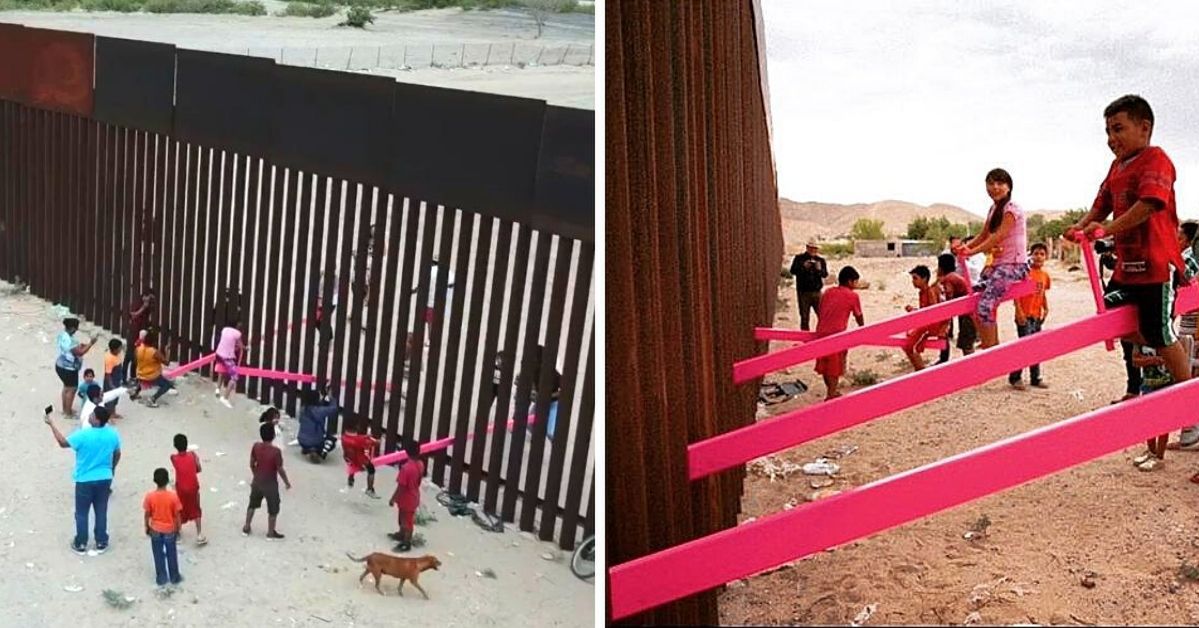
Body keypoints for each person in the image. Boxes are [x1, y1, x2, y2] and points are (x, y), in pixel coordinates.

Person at [1070, 95, 1192, 411]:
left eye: (1118, 129)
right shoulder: (1116, 166)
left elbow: (1149, 204)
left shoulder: (1156, 159)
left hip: (1155, 264)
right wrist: (1081, 227)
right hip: (1127, 268)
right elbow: (1101, 204)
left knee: (1159, 330)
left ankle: (1190, 406)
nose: (1111, 139)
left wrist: (1106, 230)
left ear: (1144, 127)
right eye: (1108, 131)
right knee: (1110, 318)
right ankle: (1166, 353)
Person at [954, 168, 1028, 349]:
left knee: (984, 305)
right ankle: (992, 344)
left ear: (1009, 187)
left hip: (1013, 265)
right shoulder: (994, 209)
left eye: (1000, 183)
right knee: (973, 301)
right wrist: (966, 247)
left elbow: (997, 237)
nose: (995, 187)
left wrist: (972, 252)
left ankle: (990, 348)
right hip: (998, 265)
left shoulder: (1012, 209)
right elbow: (983, 235)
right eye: (991, 183)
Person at [45, 405, 121, 555]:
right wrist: (111, 468)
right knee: (101, 510)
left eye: (93, 415)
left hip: (84, 479)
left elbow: (63, 443)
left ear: (98, 421)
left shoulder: (83, 435)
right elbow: (117, 453)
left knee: (81, 513)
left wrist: (52, 424)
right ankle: (101, 541)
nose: (90, 416)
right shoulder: (113, 435)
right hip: (104, 478)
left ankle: (81, 542)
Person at [1168, 221, 1199, 450]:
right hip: (1187, 322)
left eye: (1178, 237)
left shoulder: (1186, 260)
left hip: (1193, 325)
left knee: (1189, 376)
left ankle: (1190, 433)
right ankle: (1188, 433)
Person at [813, 266, 865, 401]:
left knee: (825, 365)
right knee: (834, 367)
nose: (856, 285)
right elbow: (858, 315)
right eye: (855, 282)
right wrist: (863, 329)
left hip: (821, 332)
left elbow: (821, 309)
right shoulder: (852, 296)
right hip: (836, 334)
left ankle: (832, 391)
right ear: (850, 282)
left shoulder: (827, 292)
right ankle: (831, 395)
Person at [1008, 243, 1052, 390]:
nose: (1039, 256)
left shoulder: (1045, 275)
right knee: (1024, 347)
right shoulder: (1025, 273)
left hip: (1036, 316)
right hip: (1024, 316)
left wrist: (1045, 308)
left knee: (1036, 347)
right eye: (1036, 253)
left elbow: (1042, 292)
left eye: (1042, 254)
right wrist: (1018, 311)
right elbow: (1016, 293)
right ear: (1030, 255)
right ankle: (1015, 377)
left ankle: (1035, 378)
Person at [243, 422, 291, 539]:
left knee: (252, 505)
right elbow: (280, 469)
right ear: (274, 435)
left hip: (257, 481)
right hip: (270, 484)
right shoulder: (276, 452)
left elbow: (251, 464)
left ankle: (247, 526)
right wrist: (287, 482)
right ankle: (270, 532)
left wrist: (256, 475)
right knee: (273, 509)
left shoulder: (256, 446)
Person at [1131, 344, 1173, 471]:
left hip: (1165, 384)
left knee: (1163, 422)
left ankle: (1159, 457)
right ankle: (1151, 452)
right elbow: (1135, 361)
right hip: (1148, 383)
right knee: (1148, 420)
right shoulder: (1139, 342)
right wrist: (1152, 360)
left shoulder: (1167, 340)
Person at [142, 468, 183, 587]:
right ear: (167, 481)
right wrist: (178, 528)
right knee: (172, 553)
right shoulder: (173, 497)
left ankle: (161, 577)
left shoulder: (150, 496)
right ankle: (174, 577)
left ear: (155, 480)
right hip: (170, 529)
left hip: (155, 528)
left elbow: (147, 514)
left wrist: (146, 526)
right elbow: (177, 515)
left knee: (158, 553)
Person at [902, 265, 947, 372]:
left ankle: (921, 371)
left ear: (924, 279)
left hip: (931, 325)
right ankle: (919, 369)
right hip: (926, 323)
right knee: (907, 343)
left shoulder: (930, 292)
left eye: (915, 278)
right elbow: (925, 311)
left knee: (910, 346)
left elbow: (932, 312)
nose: (913, 281)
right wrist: (914, 310)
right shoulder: (922, 292)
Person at [934, 253, 975, 364]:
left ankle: (972, 367)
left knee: (966, 343)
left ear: (941, 267)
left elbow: (949, 298)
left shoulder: (949, 279)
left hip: (968, 314)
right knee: (966, 342)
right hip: (968, 312)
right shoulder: (954, 276)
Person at [55, 317, 98, 418]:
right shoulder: (70, 340)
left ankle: (65, 409)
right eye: (76, 328)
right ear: (72, 328)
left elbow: (74, 348)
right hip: (69, 368)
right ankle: (68, 413)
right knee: (72, 389)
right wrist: (91, 343)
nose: (77, 330)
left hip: (60, 364)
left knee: (66, 387)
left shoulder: (63, 335)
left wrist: (80, 345)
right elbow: (80, 352)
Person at [389, 439, 425, 553]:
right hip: (414, 495)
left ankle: (406, 542)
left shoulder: (406, 468)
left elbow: (401, 487)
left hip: (406, 497)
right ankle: (402, 535)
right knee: (405, 518)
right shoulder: (420, 464)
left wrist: (393, 498)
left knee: (406, 520)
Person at [170, 434, 206, 546]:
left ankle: (177, 534)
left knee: (179, 510)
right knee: (196, 508)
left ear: (175, 446)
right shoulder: (192, 455)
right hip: (193, 487)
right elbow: (198, 469)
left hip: (181, 489)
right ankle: (199, 534)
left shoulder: (173, 458)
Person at [789, 242, 829, 331]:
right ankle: (805, 338)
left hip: (817, 292)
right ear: (807, 248)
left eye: (815, 248)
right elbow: (793, 271)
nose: (813, 250)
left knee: (822, 315)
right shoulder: (799, 259)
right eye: (811, 248)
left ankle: (822, 334)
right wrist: (803, 267)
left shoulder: (820, 260)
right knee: (804, 317)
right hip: (803, 292)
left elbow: (825, 274)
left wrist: (819, 269)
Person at [130, 330, 174, 408]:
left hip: (139, 374)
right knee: (167, 385)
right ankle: (152, 399)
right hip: (151, 376)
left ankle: (135, 393)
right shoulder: (154, 352)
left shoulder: (138, 349)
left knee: (141, 380)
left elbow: (135, 361)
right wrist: (167, 351)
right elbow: (166, 363)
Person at [298, 388, 340, 463]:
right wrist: (331, 398)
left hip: (301, 439)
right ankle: (318, 452)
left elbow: (300, 421)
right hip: (315, 441)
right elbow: (333, 409)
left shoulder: (303, 409)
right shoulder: (319, 411)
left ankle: (306, 448)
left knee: (308, 434)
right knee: (331, 440)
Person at [341, 419, 380, 499]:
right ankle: (369, 489)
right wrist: (377, 442)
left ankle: (350, 480)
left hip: (348, 457)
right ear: (356, 427)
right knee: (371, 470)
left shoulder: (343, 437)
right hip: (361, 461)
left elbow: (356, 438)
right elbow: (370, 444)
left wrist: (366, 436)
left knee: (352, 465)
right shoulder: (360, 440)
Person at [214, 317, 246, 409]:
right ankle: (225, 398)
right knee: (234, 377)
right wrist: (245, 348)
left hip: (218, 354)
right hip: (226, 357)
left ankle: (217, 389)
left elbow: (228, 342)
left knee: (222, 371)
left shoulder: (225, 330)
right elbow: (240, 346)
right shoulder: (238, 333)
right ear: (237, 325)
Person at [125, 288, 155, 381]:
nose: (148, 301)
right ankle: (124, 377)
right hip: (133, 332)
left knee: (137, 356)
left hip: (142, 332)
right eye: (147, 298)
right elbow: (134, 315)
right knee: (129, 355)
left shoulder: (150, 305)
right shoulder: (137, 303)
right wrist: (143, 307)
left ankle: (133, 375)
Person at [102, 339, 126, 419]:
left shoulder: (115, 354)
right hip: (111, 381)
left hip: (117, 379)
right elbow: (108, 374)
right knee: (110, 399)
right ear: (115, 349)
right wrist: (111, 385)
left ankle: (113, 413)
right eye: (120, 348)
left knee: (115, 398)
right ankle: (109, 416)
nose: (120, 349)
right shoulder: (110, 359)